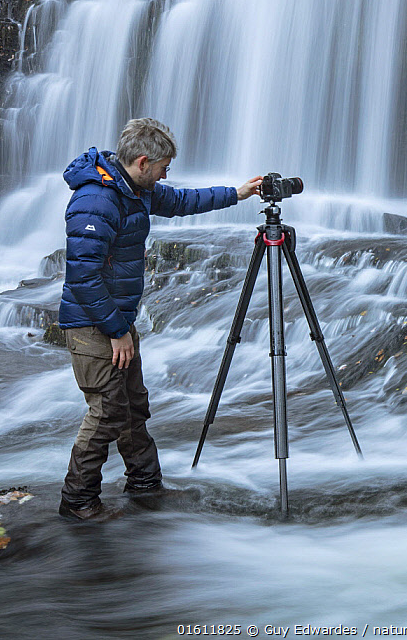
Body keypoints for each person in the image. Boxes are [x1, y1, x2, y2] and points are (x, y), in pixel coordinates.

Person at [57, 118, 262, 521]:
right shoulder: (96, 201)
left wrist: (237, 194)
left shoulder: (133, 189)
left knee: (133, 407)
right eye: (164, 167)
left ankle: (145, 485)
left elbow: (184, 201)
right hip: (92, 325)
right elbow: (82, 276)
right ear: (143, 161)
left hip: (116, 320)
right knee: (107, 412)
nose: (167, 174)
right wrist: (116, 332)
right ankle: (77, 500)